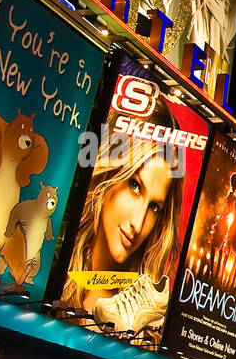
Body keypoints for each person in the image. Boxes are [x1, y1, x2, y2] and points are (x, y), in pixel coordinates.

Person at [61, 93, 187, 337]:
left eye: (154, 207)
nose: (138, 224)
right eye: (135, 186)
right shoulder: (53, 257)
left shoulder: (142, 320)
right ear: (110, 172)